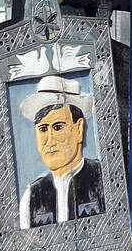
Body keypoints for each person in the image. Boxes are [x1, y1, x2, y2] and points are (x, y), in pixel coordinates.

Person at [17, 75, 105, 229]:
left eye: (58, 127)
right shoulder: (32, 196)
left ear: (79, 129)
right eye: (43, 129)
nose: (50, 140)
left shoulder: (104, 178)